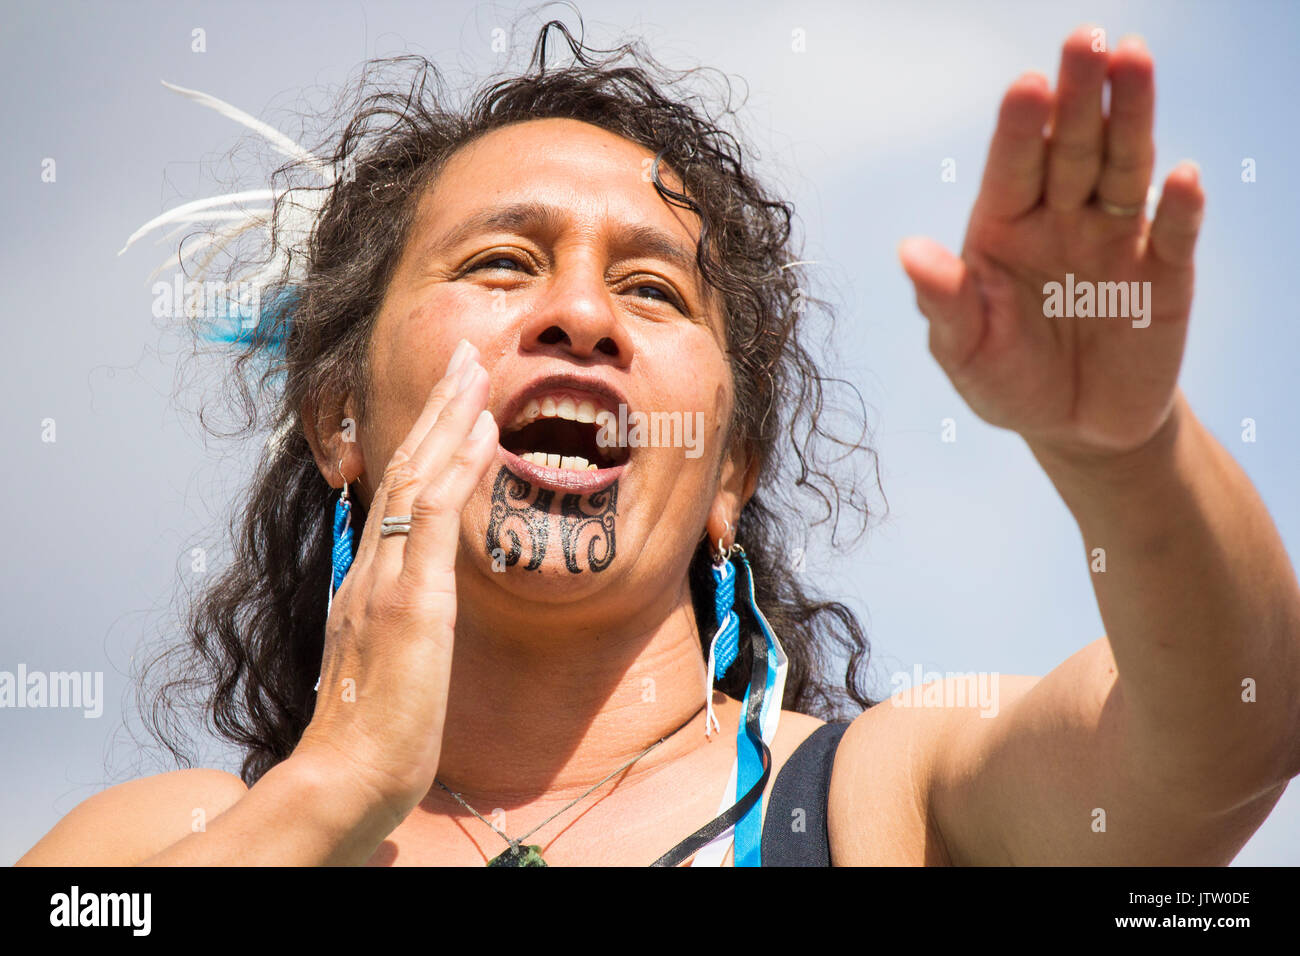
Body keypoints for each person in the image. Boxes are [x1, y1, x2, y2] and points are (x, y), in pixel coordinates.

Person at [17, 19, 1299, 867]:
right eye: (503, 261)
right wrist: (333, 787)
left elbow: (1227, 735)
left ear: (728, 473)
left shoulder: (883, 805)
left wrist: (1127, 453)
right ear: (338, 417)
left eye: (651, 289)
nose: (579, 312)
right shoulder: (141, 851)